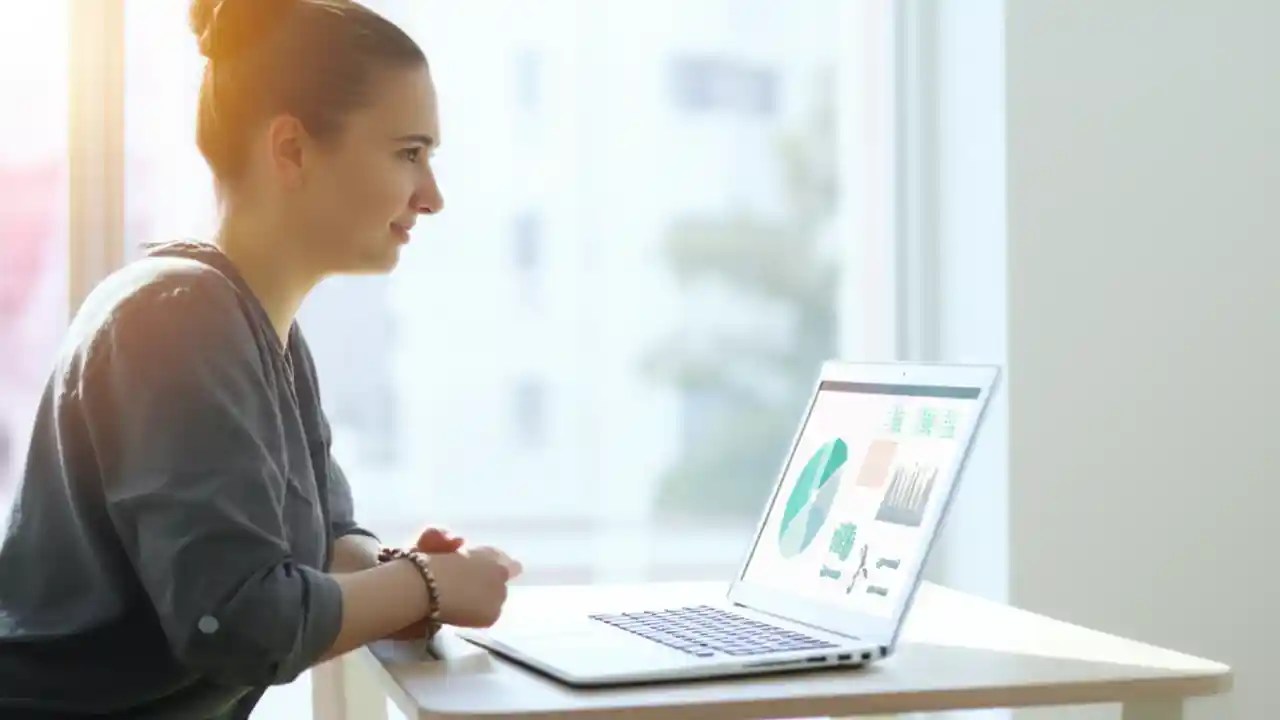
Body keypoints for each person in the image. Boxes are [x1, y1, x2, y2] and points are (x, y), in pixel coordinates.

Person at [0, 1, 521, 717]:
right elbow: (239, 623)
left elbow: (325, 544)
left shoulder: (257, 326)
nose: (431, 196)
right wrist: (428, 584)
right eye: (409, 153)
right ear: (292, 150)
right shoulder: (178, 317)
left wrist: (400, 574)